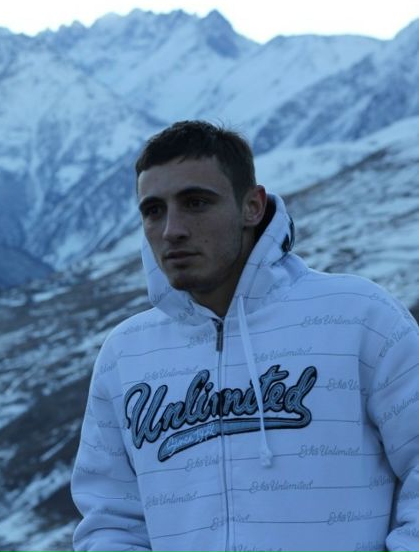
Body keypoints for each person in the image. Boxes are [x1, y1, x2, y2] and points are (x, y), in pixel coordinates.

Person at [71, 120, 419, 552]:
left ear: (252, 206)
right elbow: (110, 520)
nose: (171, 229)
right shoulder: (126, 355)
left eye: (196, 203)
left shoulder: (360, 318)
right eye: (153, 210)